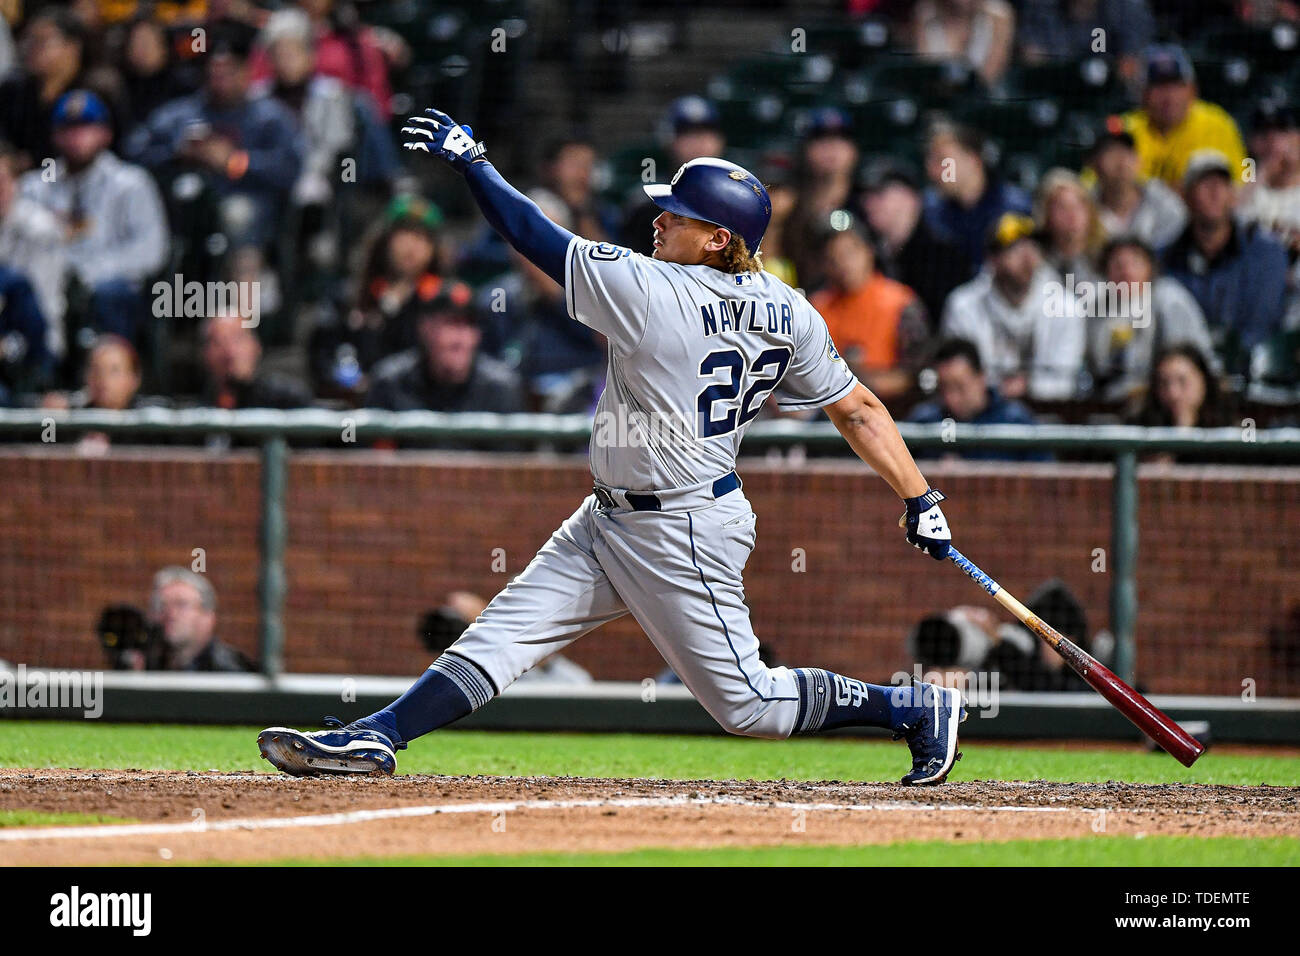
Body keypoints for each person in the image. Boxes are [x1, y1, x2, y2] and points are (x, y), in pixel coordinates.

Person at [257, 107, 967, 786]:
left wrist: (473, 163)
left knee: (752, 707)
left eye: (677, 216)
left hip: (681, 526)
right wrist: (919, 498)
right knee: (503, 634)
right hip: (612, 517)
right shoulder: (791, 309)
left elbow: (533, 234)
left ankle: (909, 706)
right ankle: (378, 735)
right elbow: (859, 409)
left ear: (719, 239)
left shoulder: (654, 289)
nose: (658, 221)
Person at [20, 90, 169, 345]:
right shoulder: (37, 185)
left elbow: (151, 250)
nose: (77, 137)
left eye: (86, 127)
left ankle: (110, 375)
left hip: (109, 286)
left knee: (110, 293)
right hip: (50, 284)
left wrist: (91, 272)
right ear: (55, 136)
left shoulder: (130, 182)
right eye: (68, 128)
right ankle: (37, 376)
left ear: (105, 134)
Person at [1162, 149, 1290, 376]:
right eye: (1204, 184)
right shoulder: (1166, 257)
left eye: (1221, 184)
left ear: (1233, 195)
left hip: (1252, 372)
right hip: (1187, 374)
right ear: (1186, 196)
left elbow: (1262, 323)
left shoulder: (1266, 252)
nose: (1214, 192)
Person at [941, 212, 1085, 401]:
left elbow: (1066, 381)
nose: (1027, 257)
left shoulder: (1065, 306)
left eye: (1033, 246)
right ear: (992, 259)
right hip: (983, 415)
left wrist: (1029, 385)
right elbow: (961, 378)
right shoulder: (964, 306)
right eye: (1014, 248)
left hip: (1050, 417)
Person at [364, 279, 527, 415]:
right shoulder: (390, 384)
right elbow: (369, 452)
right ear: (424, 328)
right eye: (450, 324)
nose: (460, 339)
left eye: (468, 326)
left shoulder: (501, 388)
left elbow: (513, 453)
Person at [810, 218, 927, 402]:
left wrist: (855, 382)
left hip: (890, 410)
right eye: (833, 257)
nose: (843, 264)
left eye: (849, 253)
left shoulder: (901, 303)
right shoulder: (816, 308)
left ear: (869, 251)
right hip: (828, 412)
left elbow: (913, 378)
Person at [1087, 236, 1216, 403]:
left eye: (1135, 263)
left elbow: (1186, 363)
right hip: (1108, 401)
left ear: (1150, 268)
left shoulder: (1169, 301)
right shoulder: (1098, 309)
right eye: (1118, 265)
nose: (1126, 271)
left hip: (1164, 400)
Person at [860, 161, 969, 326]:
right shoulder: (868, 255)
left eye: (880, 194)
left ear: (911, 198)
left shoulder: (945, 256)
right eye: (865, 196)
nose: (869, 203)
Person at [1122, 45, 1246, 188]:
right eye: (1159, 86)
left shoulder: (1217, 123)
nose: (1169, 97)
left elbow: (1240, 182)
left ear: (1193, 90)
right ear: (1142, 94)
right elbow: (1093, 186)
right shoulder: (1127, 130)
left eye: (1176, 85)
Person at [907, 337, 1047, 462]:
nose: (952, 398)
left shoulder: (1016, 421)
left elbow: (1043, 479)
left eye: (960, 386)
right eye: (944, 388)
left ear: (981, 378)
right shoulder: (924, 422)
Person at [922, 119, 1031, 273]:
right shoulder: (929, 212)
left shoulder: (1014, 207)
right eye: (930, 161)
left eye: (942, 160)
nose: (932, 171)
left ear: (973, 160)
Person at [0, 140, 66, 364]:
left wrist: (8, 348)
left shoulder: (40, 229)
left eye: (2, 180)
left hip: (34, 342)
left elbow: (42, 306)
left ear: (16, 182)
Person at [785, 107, 861, 290]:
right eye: (821, 139)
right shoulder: (791, 206)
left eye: (841, 138)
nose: (832, 147)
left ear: (854, 150)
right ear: (805, 149)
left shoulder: (868, 203)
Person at [1087, 117, 1186, 251]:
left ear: (1138, 160)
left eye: (1126, 152)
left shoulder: (1164, 202)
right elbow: (1068, 267)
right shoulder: (1083, 210)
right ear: (1093, 164)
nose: (1121, 162)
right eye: (1110, 153)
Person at [137, 567, 255, 672]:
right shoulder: (146, 664)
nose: (170, 614)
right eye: (161, 606)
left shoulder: (231, 672)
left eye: (181, 604)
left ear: (208, 616)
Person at [200, 310, 313, 410]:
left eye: (238, 339)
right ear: (205, 353)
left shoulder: (288, 399)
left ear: (256, 346)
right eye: (218, 342)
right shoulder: (198, 407)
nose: (229, 351)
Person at [912, 0, 1015, 87]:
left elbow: (990, 75)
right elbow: (924, 69)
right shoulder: (925, 13)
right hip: (937, 99)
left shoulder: (999, 15)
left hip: (985, 100)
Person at [1034, 168, 1105, 287]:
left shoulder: (1107, 256)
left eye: (1078, 206)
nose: (1072, 214)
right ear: (1045, 215)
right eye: (1062, 207)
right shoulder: (1034, 259)